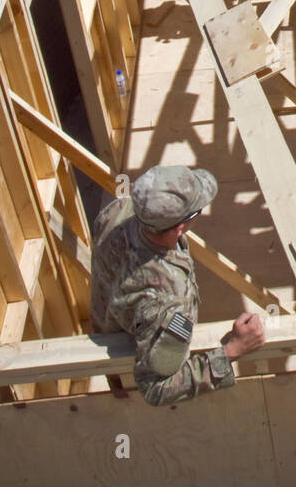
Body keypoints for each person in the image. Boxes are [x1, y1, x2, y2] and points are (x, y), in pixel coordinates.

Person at [90, 166, 265, 406]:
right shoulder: (170, 300)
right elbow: (156, 388)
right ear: (180, 226)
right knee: (127, 394)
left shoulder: (118, 210)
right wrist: (232, 350)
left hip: (107, 316)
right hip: (133, 342)